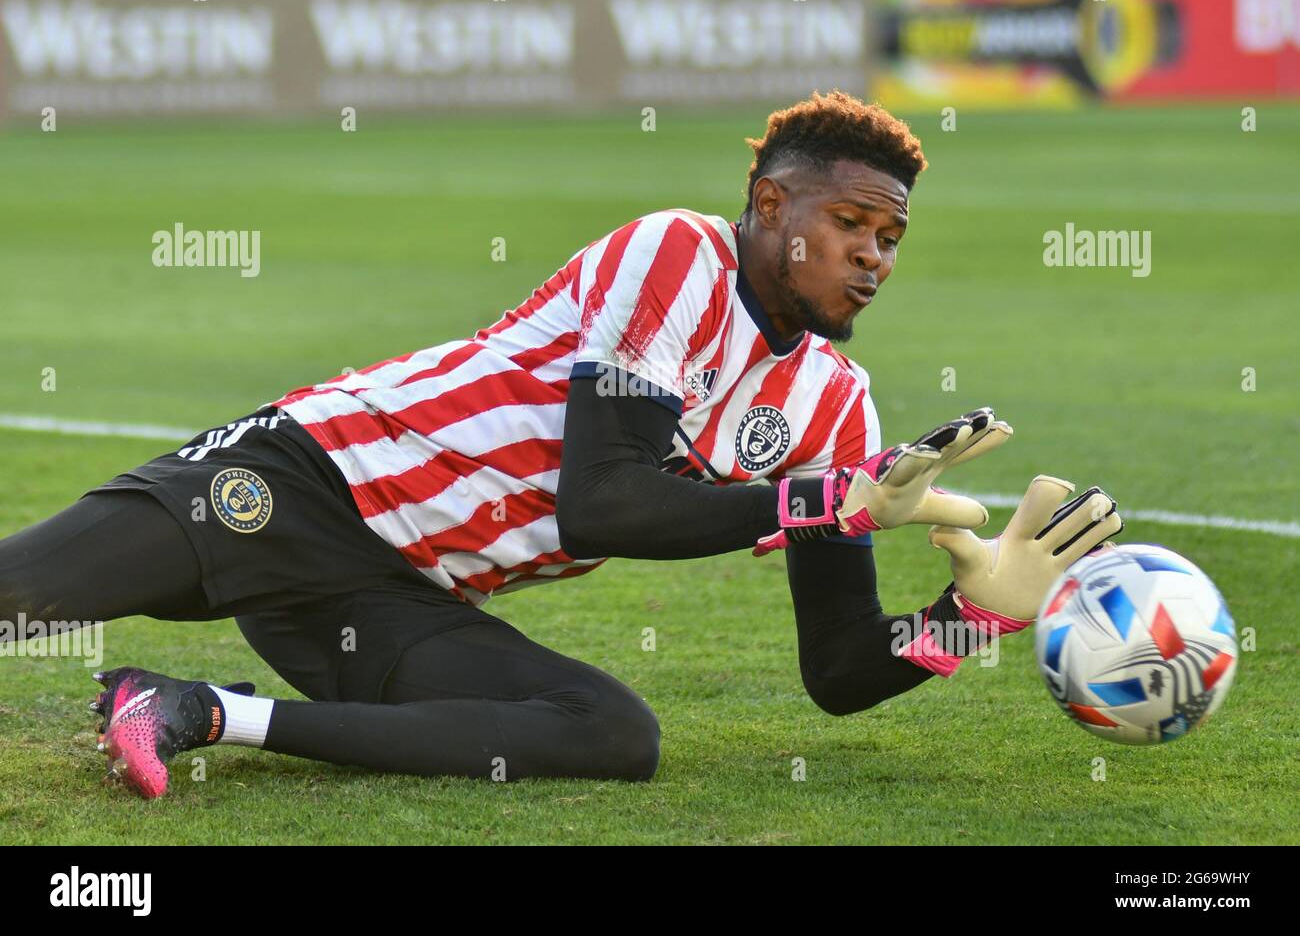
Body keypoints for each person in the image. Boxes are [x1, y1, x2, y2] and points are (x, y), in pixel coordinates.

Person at [0, 90, 1121, 798]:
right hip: (298, 478)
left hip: (391, 592)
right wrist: (823, 500)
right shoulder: (676, 256)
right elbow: (601, 503)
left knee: (612, 734)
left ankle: (193, 709)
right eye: (849, 226)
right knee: (15, 602)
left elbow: (836, 672)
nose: (873, 257)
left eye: (890, 238)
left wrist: (969, 621)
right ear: (770, 205)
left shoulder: (837, 411)